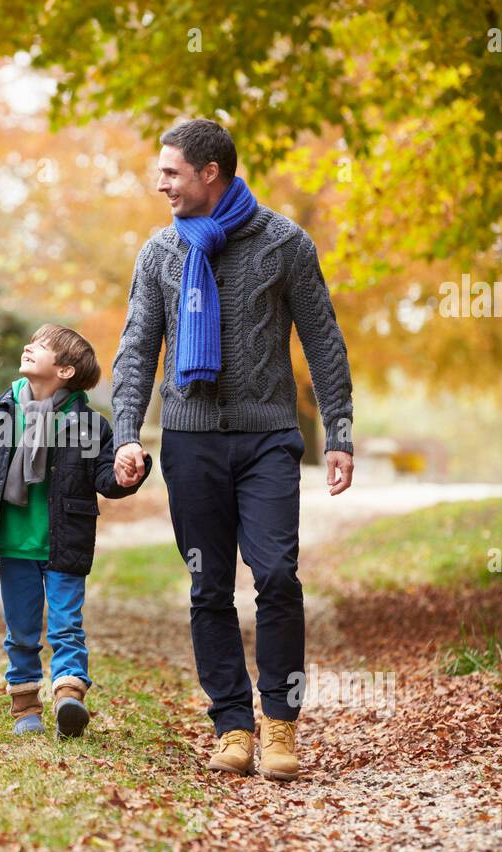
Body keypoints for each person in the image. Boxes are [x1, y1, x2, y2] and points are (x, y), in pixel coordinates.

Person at [110, 119, 355, 779]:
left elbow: (323, 338)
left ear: (208, 173)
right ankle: (233, 726)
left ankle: (281, 726)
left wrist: (339, 432)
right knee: (207, 585)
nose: (160, 183)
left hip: (269, 438)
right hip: (189, 441)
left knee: (276, 575)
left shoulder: (285, 244)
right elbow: (135, 349)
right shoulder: (160, 252)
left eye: (171, 172)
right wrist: (126, 432)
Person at [0, 324, 151, 737]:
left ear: (64, 371)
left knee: (66, 625)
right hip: (14, 542)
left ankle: (68, 696)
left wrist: (129, 472)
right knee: (22, 630)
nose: (29, 346)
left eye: (41, 346)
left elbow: (107, 479)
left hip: (65, 542)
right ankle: (25, 706)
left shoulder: (88, 424)